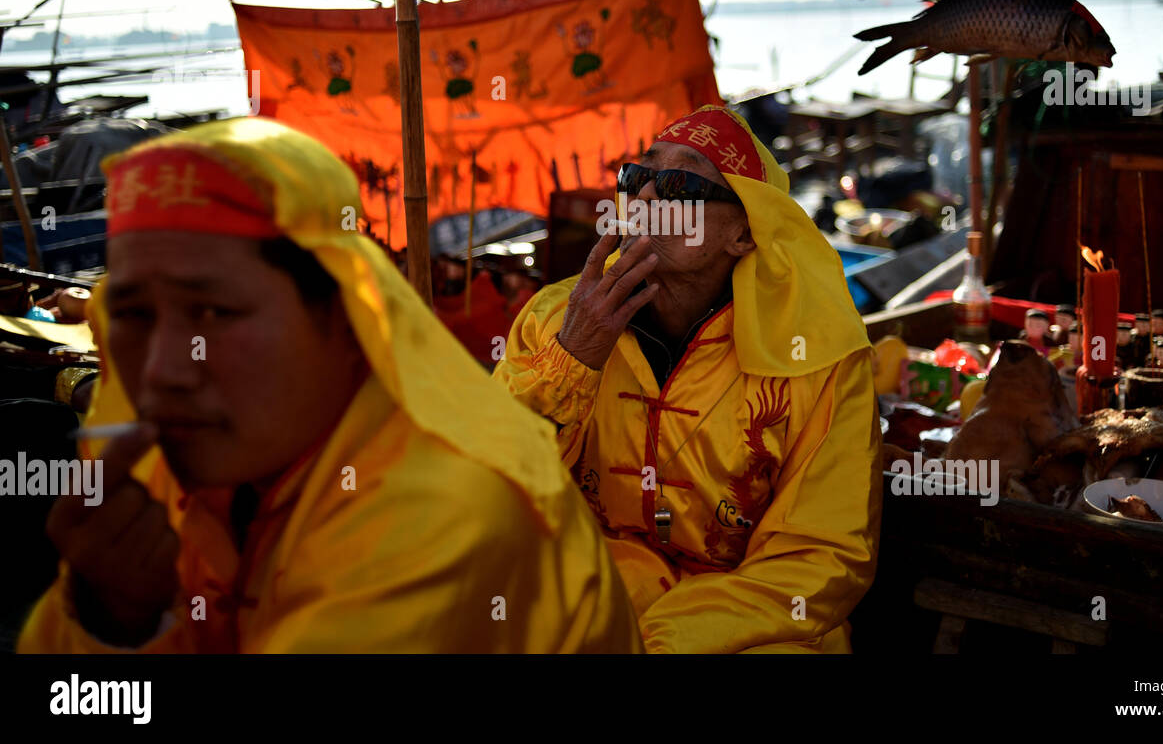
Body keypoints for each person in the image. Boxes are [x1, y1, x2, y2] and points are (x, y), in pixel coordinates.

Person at [19, 118, 641, 653]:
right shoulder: (168, 475)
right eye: (130, 315)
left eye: (214, 313)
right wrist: (107, 616)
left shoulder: (447, 512)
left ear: (347, 319)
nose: (162, 370)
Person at [493, 105, 882, 653]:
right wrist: (571, 360)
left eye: (681, 185)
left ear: (744, 234)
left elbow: (819, 556)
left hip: (744, 621)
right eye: (639, 176)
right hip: (586, 594)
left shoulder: (819, 357)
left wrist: (667, 642)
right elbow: (491, 487)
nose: (647, 199)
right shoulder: (556, 318)